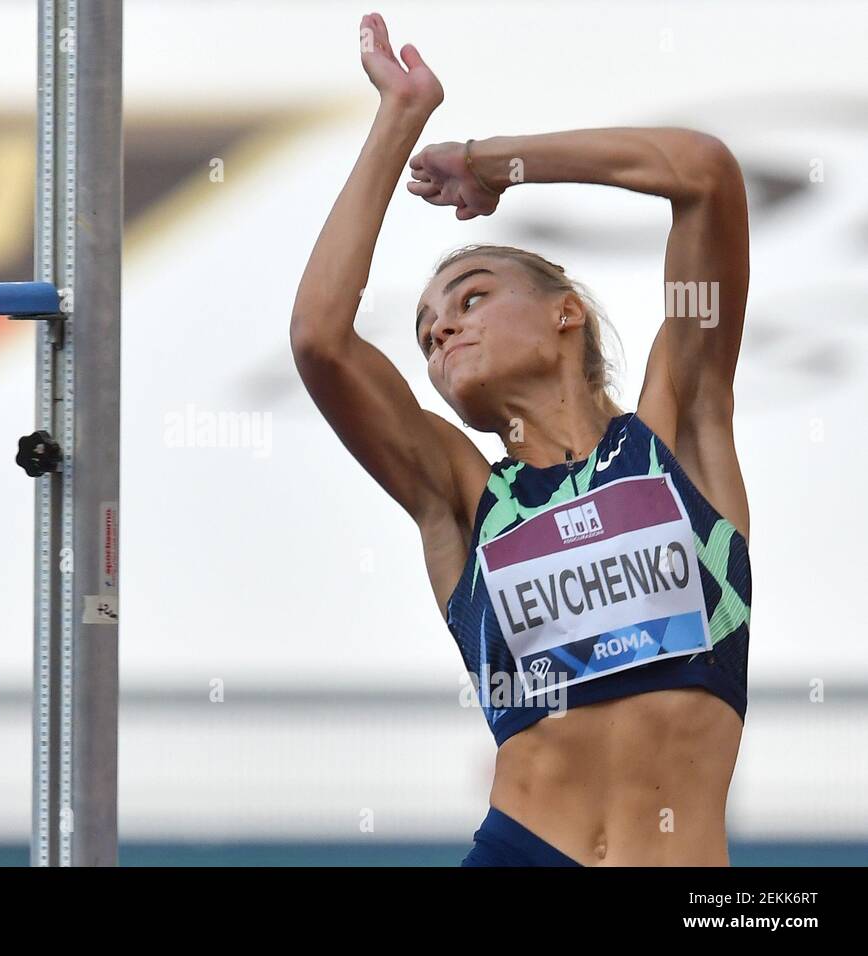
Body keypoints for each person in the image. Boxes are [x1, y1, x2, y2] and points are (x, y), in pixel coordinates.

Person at [290, 13, 750, 866]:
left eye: (471, 298)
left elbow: (705, 176)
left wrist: (496, 161)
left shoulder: (679, 420)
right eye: (427, 333)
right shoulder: (461, 495)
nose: (443, 333)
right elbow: (321, 339)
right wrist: (400, 117)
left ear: (564, 312)